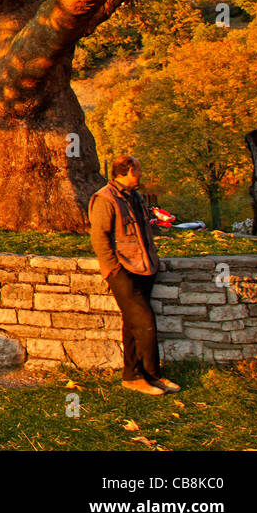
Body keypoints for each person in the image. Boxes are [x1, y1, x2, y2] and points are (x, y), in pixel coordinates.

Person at [88, 155, 180, 395]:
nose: (141, 173)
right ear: (129, 170)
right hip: (122, 270)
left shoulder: (134, 197)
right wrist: (113, 269)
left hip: (144, 266)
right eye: (139, 169)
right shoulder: (105, 198)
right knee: (145, 322)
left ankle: (134, 376)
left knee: (132, 324)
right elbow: (99, 238)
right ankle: (151, 374)